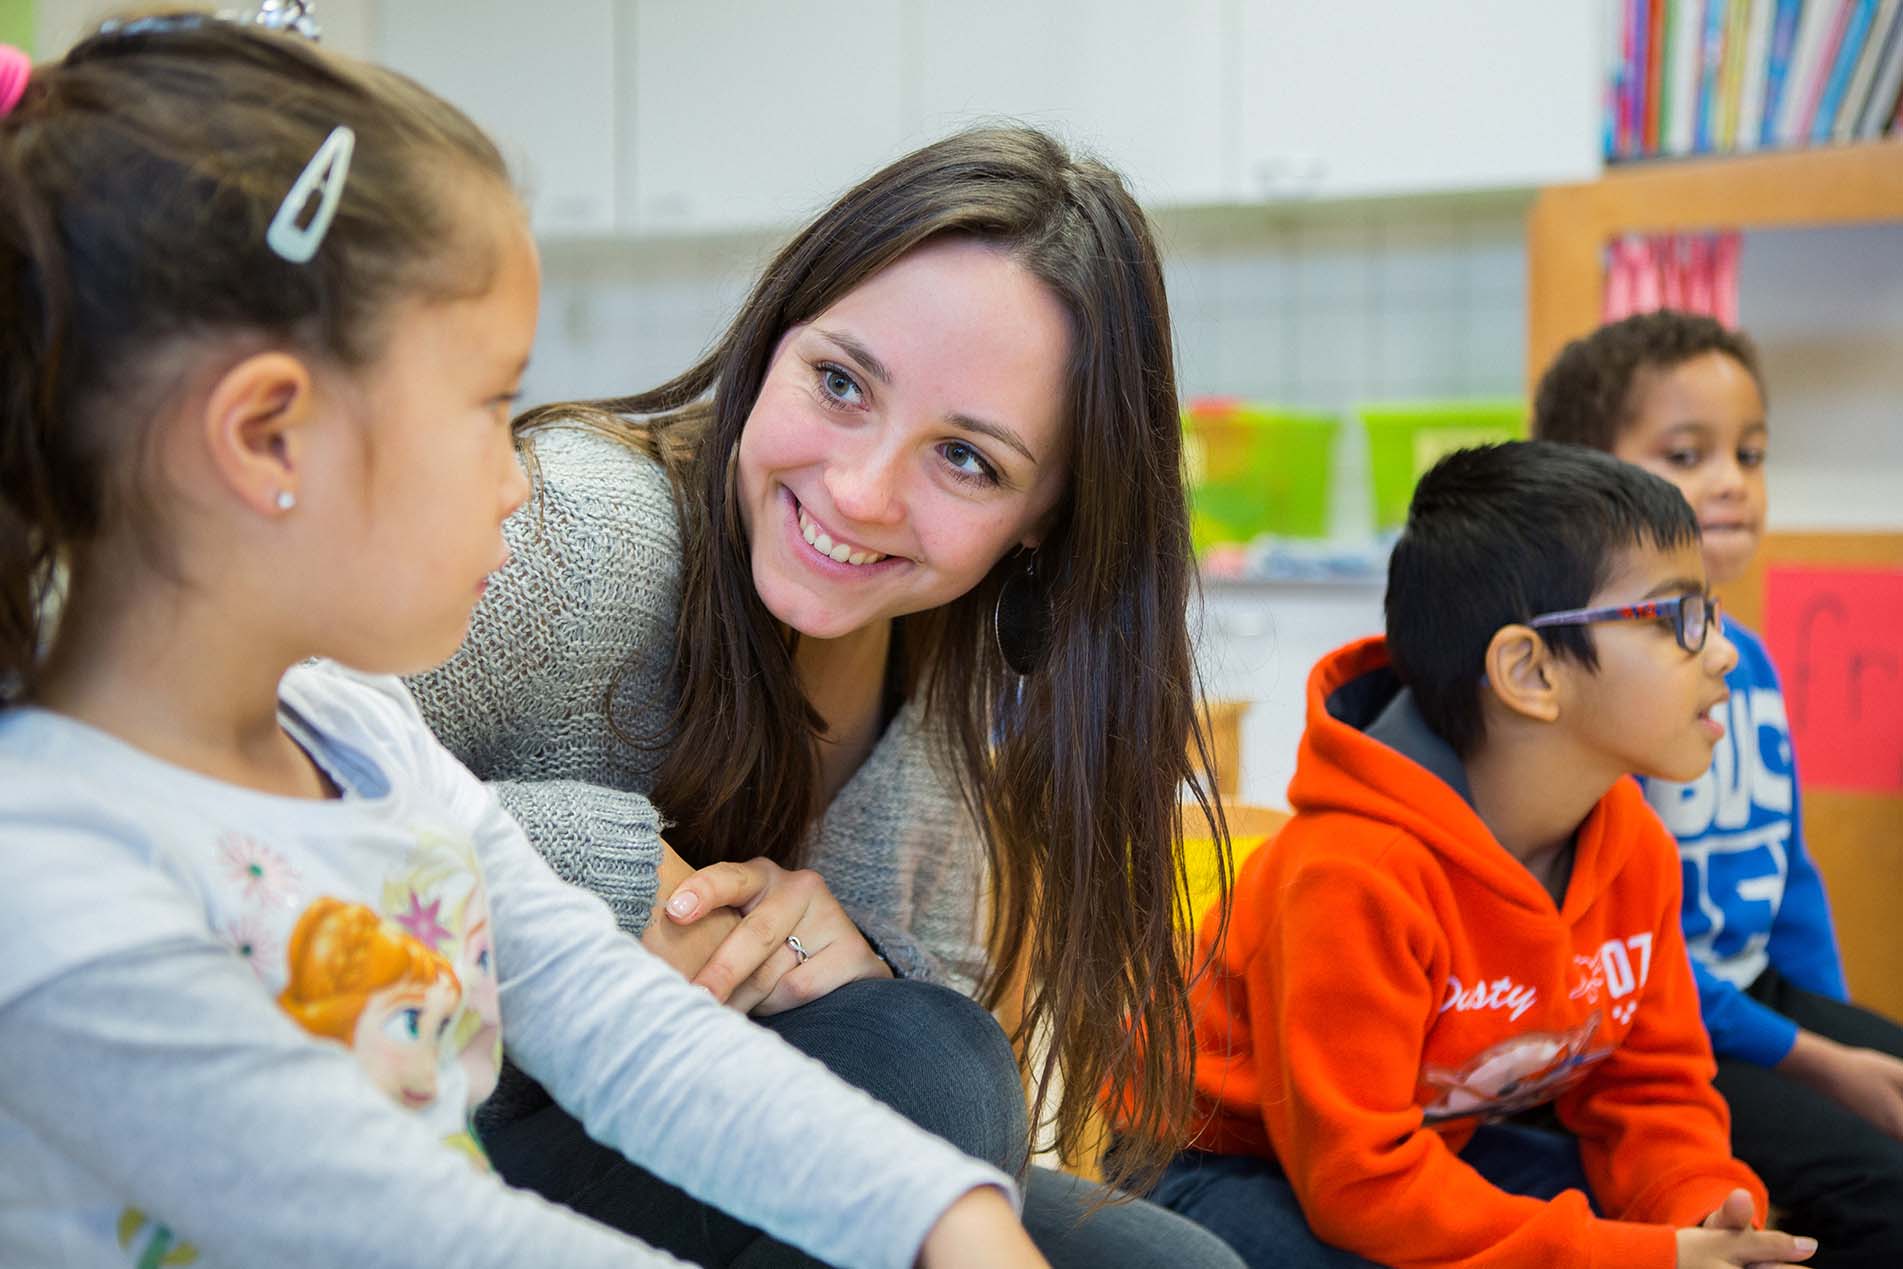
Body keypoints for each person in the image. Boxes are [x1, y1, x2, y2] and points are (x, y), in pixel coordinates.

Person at [0, 15, 1042, 1268]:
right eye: (491, 408)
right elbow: (428, 1236)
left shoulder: (369, 743)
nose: (523, 475)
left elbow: (633, 1038)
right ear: (269, 438)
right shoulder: (48, 868)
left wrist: (945, 1212)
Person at [406, 125, 1242, 1266]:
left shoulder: (943, 708)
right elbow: (239, 763)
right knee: (924, 1065)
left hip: (694, 1163)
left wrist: (858, 969)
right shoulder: (583, 534)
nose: (858, 491)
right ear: (772, 338)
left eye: (968, 461)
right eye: (840, 383)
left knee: (1166, 1258)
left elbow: (938, 1080)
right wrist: (606, 880)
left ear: (1042, 518)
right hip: (424, 1158)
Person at [1147, 441, 1821, 1268]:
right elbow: (1359, 1183)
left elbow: (1647, 1092)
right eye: (1679, 618)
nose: (1721, 650)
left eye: (1711, 614)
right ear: (1529, 670)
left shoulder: (1630, 841)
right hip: (1214, 1165)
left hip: (1422, 1148)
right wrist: (1647, 1256)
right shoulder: (1351, 873)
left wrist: (1699, 1216)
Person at [1533, 310, 1903, 1266]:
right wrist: (1817, 1061)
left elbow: (1788, 879)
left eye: (1750, 451)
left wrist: (1835, 1034)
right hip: (1654, 1030)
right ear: (1586, 476)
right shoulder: (1608, 691)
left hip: (1755, 999)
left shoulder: (1756, 664)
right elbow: (1628, 965)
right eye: (1688, 453)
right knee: (1879, 1192)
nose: (1731, 480)